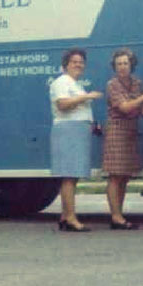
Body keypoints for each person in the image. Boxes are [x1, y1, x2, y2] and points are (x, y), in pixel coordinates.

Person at [103, 48, 143, 230]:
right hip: (116, 131)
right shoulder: (112, 85)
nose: (122, 67)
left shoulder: (137, 83)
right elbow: (126, 107)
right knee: (115, 176)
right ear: (114, 66)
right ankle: (116, 217)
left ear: (131, 65)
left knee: (125, 177)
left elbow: (139, 107)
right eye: (119, 64)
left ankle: (119, 214)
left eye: (125, 63)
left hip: (131, 131)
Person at [50, 48, 103, 232]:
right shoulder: (62, 82)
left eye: (81, 62)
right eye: (74, 61)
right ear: (66, 65)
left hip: (77, 130)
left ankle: (65, 216)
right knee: (69, 175)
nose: (78, 64)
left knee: (72, 176)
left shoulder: (74, 83)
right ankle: (71, 218)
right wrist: (87, 97)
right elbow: (62, 104)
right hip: (68, 129)